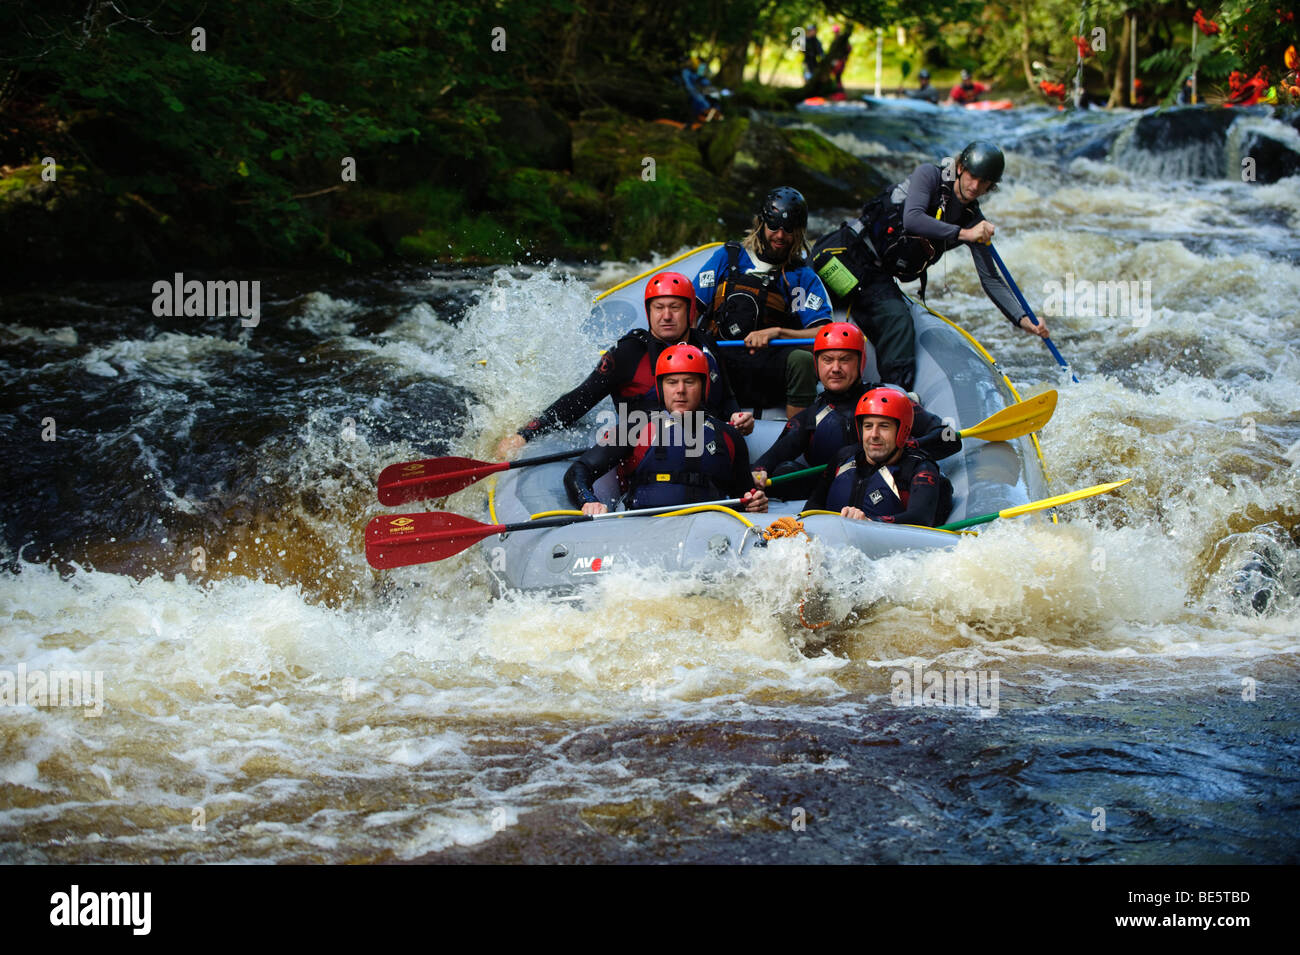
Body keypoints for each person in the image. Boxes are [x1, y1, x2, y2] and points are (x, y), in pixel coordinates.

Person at [810, 142, 1050, 391]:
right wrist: (964, 234)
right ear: (960, 168)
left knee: (897, 320)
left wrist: (1022, 319)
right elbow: (913, 219)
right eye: (972, 176)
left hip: (874, 275)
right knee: (886, 317)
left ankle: (894, 396)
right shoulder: (929, 176)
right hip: (844, 252)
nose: (975, 186)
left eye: (985, 183)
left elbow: (990, 279)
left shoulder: (973, 220)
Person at [497, 271, 753, 458]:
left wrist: (736, 415)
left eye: (674, 307)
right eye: (659, 307)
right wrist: (526, 433)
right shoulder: (628, 352)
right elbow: (580, 398)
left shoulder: (706, 345)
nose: (666, 316)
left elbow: (726, 396)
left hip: (704, 450)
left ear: (690, 312)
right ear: (649, 311)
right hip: (646, 456)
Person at [751, 322, 961, 498]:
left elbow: (951, 438)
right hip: (837, 491)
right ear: (817, 365)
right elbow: (768, 460)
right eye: (827, 360)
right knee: (784, 472)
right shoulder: (811, 416)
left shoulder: (890, 400)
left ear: (860, 362)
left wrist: (904, 448)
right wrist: (758, 474)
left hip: (890, 488)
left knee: (939, 487)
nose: (835, 368)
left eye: (844, 360)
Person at [564, 344, 768, 514]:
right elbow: (578, 471)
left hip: (707, 535)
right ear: (661, 388)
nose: (680, 390)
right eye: (672, 382)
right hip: (645, 529)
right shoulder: (636, 427)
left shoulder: (729, 436)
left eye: (689, 382)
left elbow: (744, 497)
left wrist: (754, 503)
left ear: (704, 386)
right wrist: (588, 501)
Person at [693, 187, 833, 419]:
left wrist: (777, 333)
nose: (780, 235)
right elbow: (690, 308)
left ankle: (797, 437)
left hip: (770, 365)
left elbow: (826, 335)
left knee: (802, 360)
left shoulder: (802, 277)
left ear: (798, 232)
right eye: (774, 226)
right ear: (761, 224)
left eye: (788, 229)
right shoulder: (728, 257)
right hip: (720, 357)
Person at [804, 387, 952, 526]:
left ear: (902, 431)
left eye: (884, 426)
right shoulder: (843, 457)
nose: (874, 435)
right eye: (868, 426)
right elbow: (811, 509)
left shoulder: (920, 468)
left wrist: (870, 523)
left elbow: (921, 518)